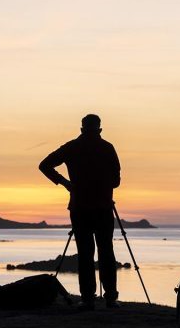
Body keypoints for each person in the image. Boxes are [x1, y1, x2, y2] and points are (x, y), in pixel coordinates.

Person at [39, 114, 121, 309]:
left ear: (82, 128)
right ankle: (110, 298)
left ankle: (88, 298)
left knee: (85, 253)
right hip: (102, 207)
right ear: (99, 129)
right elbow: (116, 181)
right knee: (106, 252)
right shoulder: (107, 148)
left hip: (80, 208)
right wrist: (102, 184)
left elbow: (44, 165)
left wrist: (66, 183)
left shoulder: (72, 147)